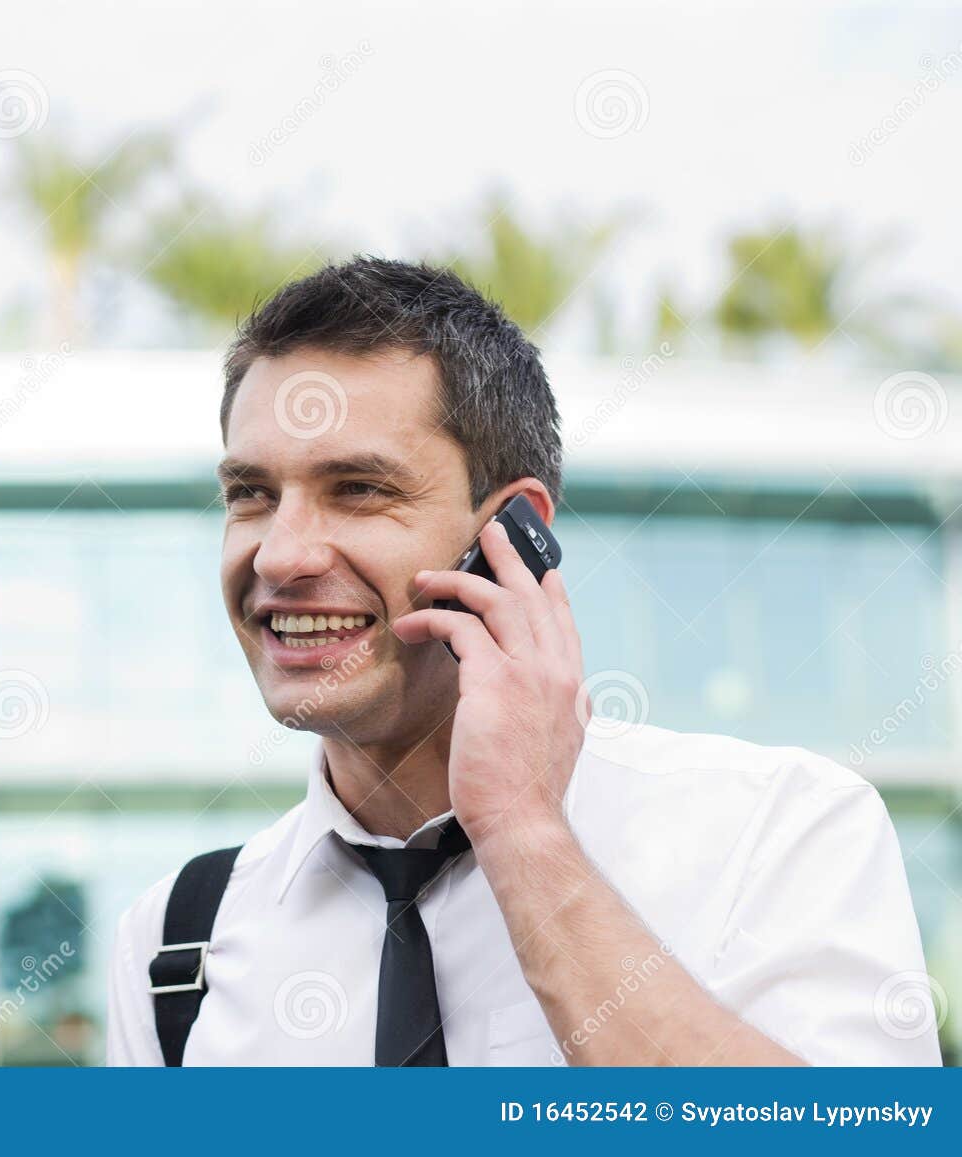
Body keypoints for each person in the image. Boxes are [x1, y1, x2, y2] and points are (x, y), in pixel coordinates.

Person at [104, 257, 941, 1066]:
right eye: (251, 493)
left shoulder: (778, 832)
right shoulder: (177, 944)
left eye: (359, 488)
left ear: (510, 537)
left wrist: (522, 831)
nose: (280, 554)